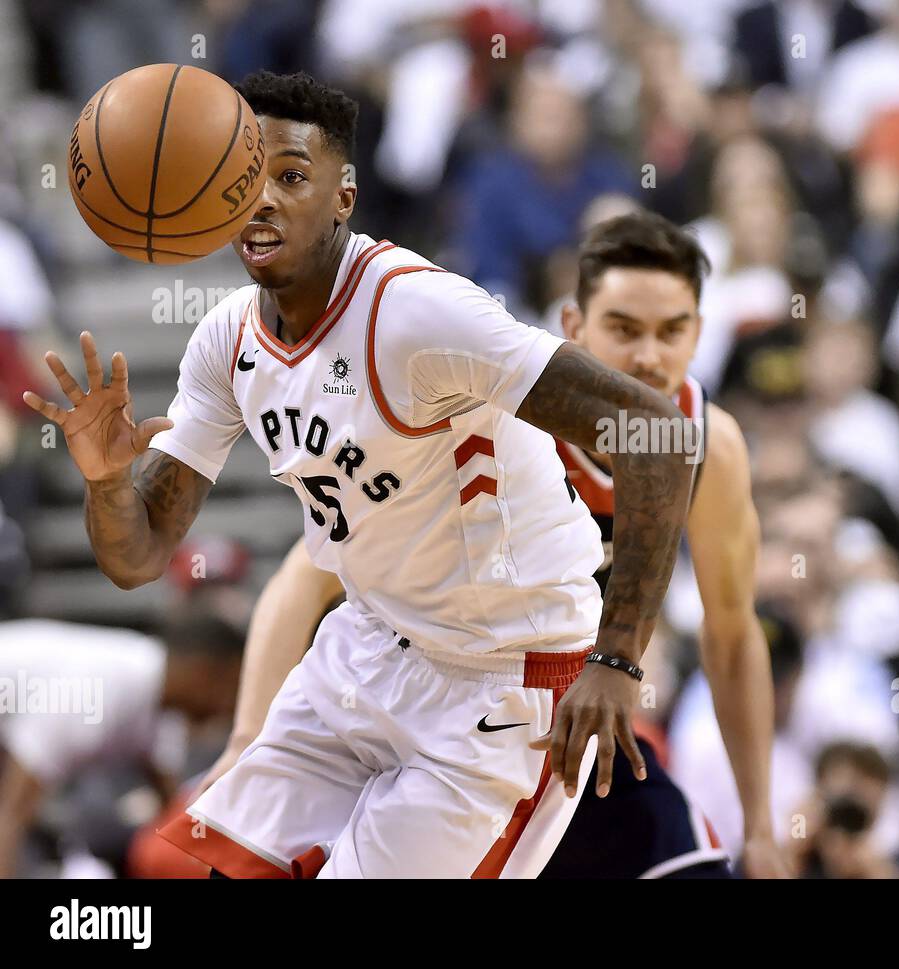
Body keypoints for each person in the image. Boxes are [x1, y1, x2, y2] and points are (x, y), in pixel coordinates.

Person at [22, 71, 695, 879]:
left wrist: (619, 658)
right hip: (366, 646)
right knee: (180, 869)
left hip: (502, 678)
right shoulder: (224, 341)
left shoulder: (419, 312)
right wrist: (104, 481)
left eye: (293, 177)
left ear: (343, 197)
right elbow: (137, 558)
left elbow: (657, 433)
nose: (263, 199)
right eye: (247, 178)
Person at [197, 210, 786, 878]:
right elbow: (306, 577)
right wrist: (248, 736)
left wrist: (761, 825)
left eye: (672, 331)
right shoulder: (501, 396)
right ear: (573, 327)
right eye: (624, 329)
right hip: (447, 713)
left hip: (578, 726)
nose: (648, 355)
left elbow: (733, 636)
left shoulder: (709, 444)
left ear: (699, 335)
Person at [0, 612, 243, 878]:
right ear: (202, 670)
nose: (227, 707)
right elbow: (10, 812)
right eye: (229, 687)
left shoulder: (163, 710)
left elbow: (172, 811)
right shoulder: (104, 691)